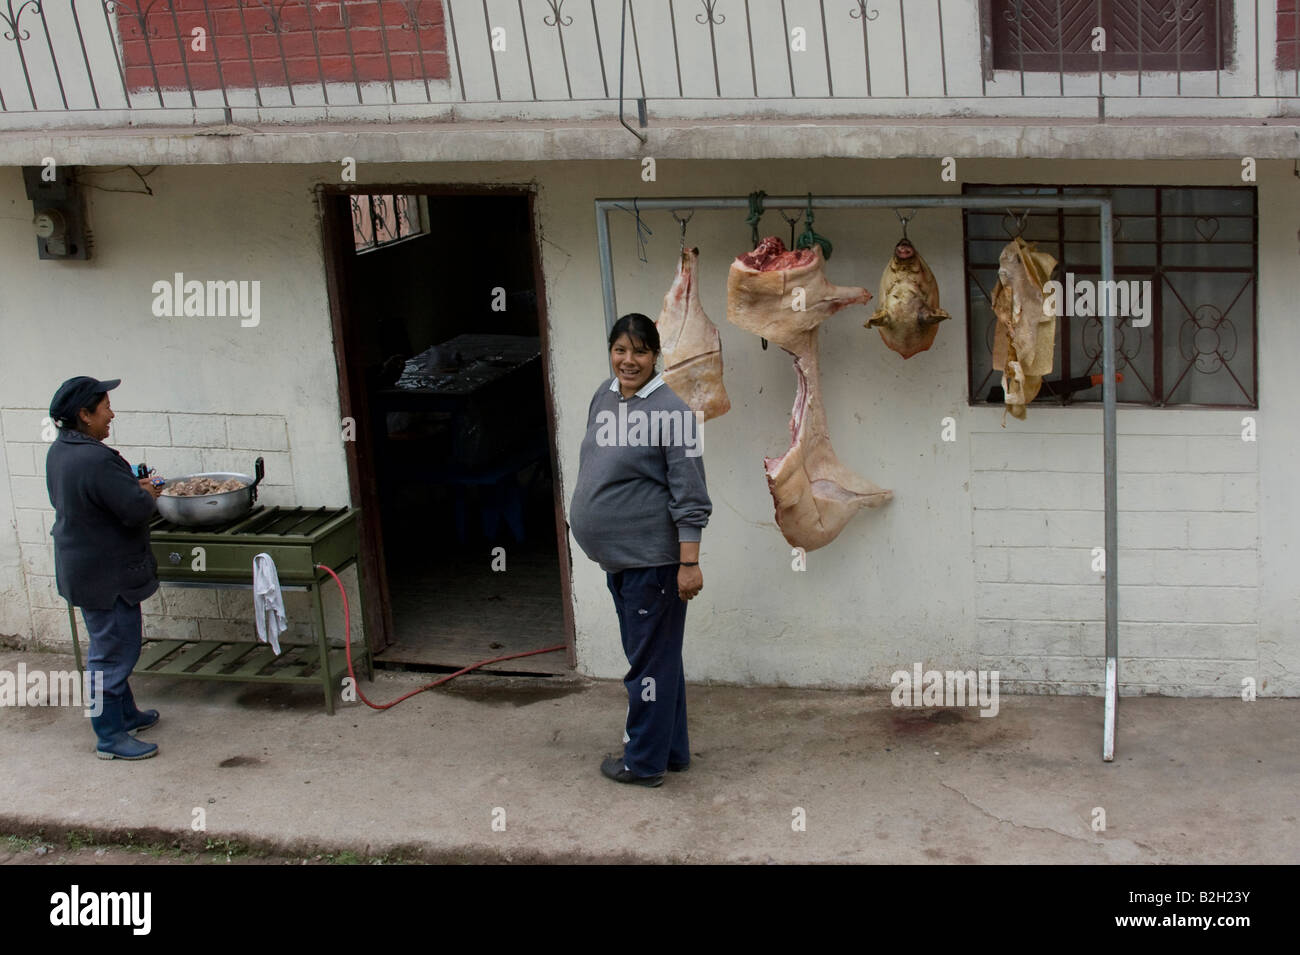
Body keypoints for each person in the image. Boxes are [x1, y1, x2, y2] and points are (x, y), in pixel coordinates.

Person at [568, 314, 712, 787]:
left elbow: (690, 497)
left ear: (656, 357)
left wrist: (688, 563)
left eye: (640, 352)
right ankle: (671, 752)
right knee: (658, 658)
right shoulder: (604, 395)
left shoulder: (675, 413)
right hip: (621, 560)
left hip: (655, 563)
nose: (628, 361)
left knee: (646, 664)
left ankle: (643, 763)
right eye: (620, 350)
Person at [45, 376, 163, 760]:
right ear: (84, 413)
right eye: (105, 407)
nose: (111, 414)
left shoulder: (61, 450)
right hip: (107, 575)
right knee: (111, 655)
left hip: (84, 567)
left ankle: (126, 715)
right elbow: (133, 510)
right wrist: (145, 493)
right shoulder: (95, 458)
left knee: (110, 645)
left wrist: (130, 488)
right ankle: (109, 735)